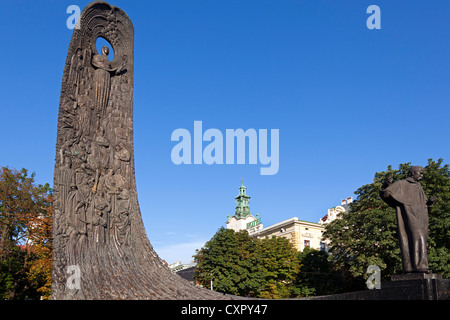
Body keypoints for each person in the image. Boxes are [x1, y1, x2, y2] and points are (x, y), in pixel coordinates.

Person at [380, 166, 437, 273]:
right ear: (413, 173)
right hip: (409, 216)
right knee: (418, 237)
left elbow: (424, 206)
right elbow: (386, 194)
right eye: (420, 173)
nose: (422, 175)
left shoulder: (419, 187)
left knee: (422, 239)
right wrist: (385, 184)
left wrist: (430, 203)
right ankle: (420, 266)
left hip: (421, 218)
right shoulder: (402, 184)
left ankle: (411, 267)